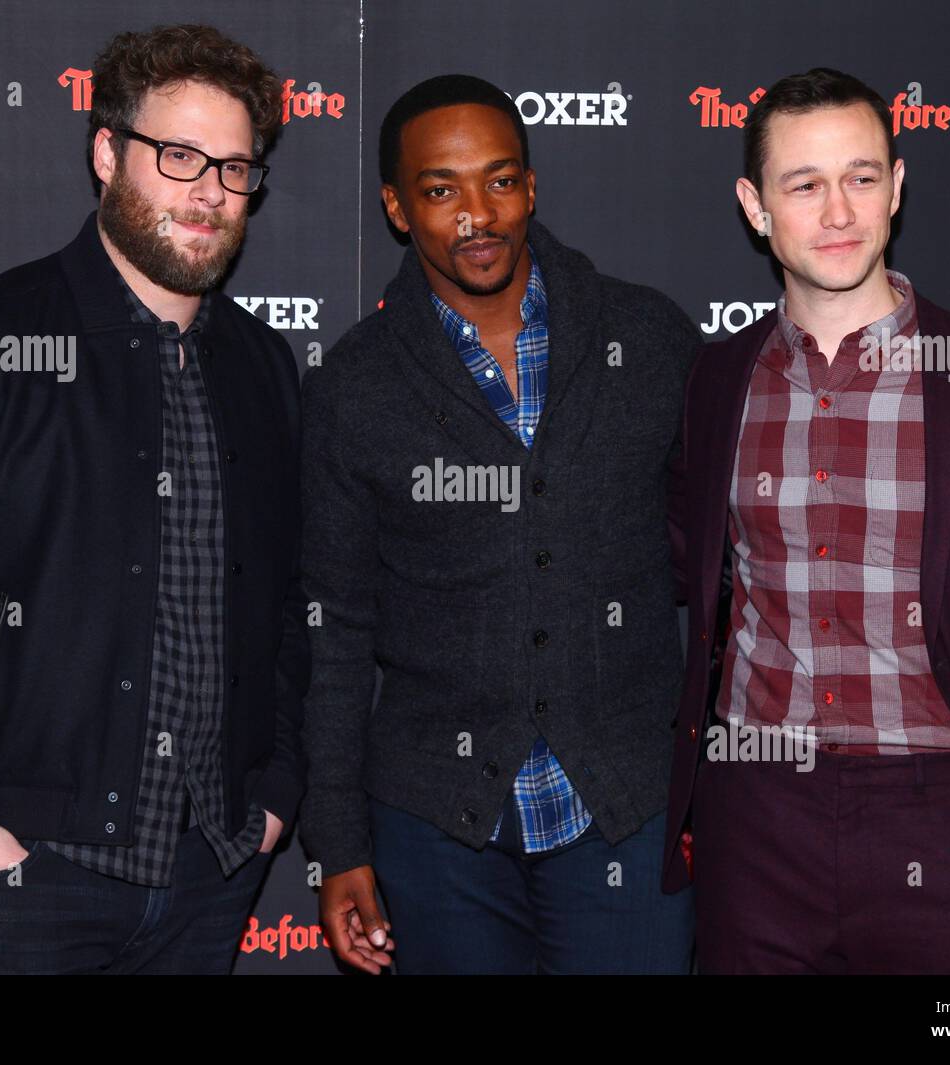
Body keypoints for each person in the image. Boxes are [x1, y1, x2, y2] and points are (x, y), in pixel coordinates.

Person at [0, 23, 308, 974]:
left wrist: (279, 787)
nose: (208, 191)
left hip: (210, 874)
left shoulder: (262, 364)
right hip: (18, 876)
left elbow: (291, 600)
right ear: (106, 153)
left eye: (235, 167)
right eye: (178, 156)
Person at [660, 67, 950, 974]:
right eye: (804, 184)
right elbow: (691, 577)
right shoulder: (716, 382)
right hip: (758, 822)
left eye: (861, 177)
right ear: (755, 206)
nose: (837, 212)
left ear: (897, 185)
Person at [300, 74, 701, 975]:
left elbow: (723, 568)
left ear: (532, 187)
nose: (477, 215)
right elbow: (333, 630)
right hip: (436, 825)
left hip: (626, 809)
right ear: (398, 209)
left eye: (500, 180)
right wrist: (338, 841)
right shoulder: (351, 390)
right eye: (441, 190)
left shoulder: (648, 340)